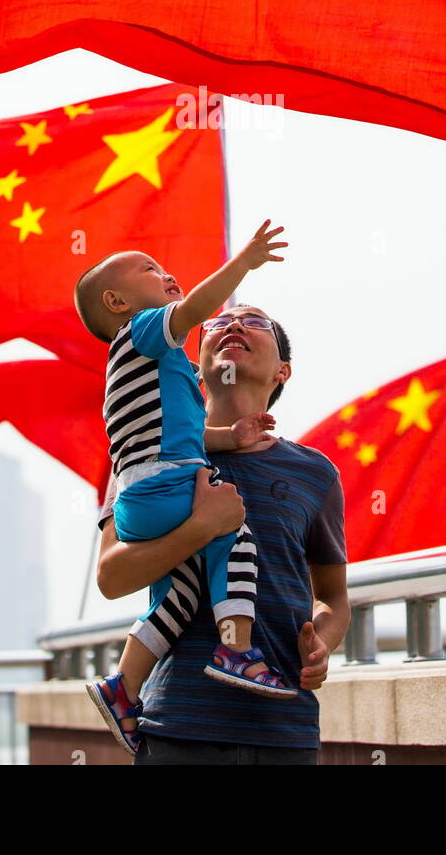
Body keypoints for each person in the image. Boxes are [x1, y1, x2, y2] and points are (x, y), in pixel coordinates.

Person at [73, 222, 296, 755]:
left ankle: (123, 685)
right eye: (151, 269)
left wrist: (231, 436)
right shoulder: (145, 329)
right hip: (162, 487)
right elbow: (195, 307)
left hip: (146, 494)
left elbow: (188, 436)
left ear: (282, 373)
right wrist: (243, 262)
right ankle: (236, 650)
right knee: (232, 537)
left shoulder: (161, 395)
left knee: (179, 593)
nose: (167, 273)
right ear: (117, 301)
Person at [96, 302, 350, 765]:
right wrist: (201, 528)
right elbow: (112, 579)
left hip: (285, 727)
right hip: (178, 724)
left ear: (282, 371)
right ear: (195, 366)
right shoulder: (145, 458)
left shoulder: (315, 473)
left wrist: (323, 642)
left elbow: (333, 595)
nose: (233, 324)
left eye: (255, 323)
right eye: (216, 323)